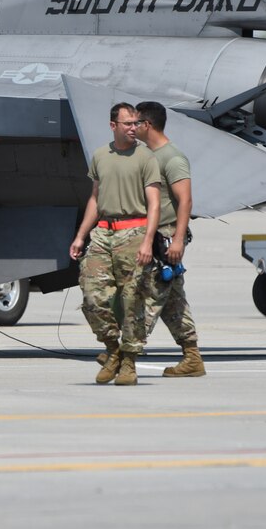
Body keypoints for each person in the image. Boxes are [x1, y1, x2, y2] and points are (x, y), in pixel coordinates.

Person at [69, 103, 161, 386]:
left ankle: (129, 362)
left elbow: (154, 203)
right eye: (128, 124)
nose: (133, 128)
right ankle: (113, 349)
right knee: (92, 295)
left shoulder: (146, 157)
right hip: (103, 232)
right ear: (113, 126)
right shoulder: (100, 156)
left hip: (134, 232)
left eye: (136, 123)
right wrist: (81, 235)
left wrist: (148, 241)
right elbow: (95, 199)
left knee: (132, 299)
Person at [133, 101, 205, 378]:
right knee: (173, 300)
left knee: (148, 295)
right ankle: (192, 357)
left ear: (147, 125)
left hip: (165, 240)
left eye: (137, 122)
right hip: (153, 238)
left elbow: (185, 200)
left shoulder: (172, 158)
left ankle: (126, 351)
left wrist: (177, 240)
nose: (133, 127)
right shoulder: (149, 155)